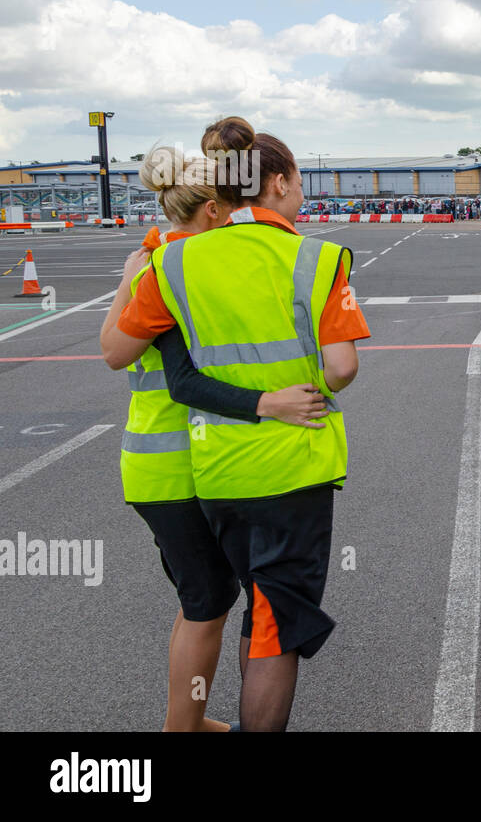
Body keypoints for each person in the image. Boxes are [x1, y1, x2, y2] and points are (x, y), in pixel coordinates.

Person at [102, 116, 370, 732]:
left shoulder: (172, 263)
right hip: (283, 462)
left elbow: (128, 354)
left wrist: (128, 277)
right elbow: (341, 366)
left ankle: (188, 724)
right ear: (274, 183)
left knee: (217, 605)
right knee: (263, 621)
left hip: (210, 467)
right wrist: (289, 395)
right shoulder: (316, 257)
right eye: (299, 179)